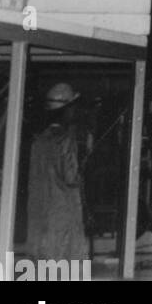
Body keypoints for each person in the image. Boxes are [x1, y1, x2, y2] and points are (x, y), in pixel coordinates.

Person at [27, 82, 89, 263]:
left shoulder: (39, 141)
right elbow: (71, 177)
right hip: (63, 222)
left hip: (39, 221)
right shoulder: (66, 140)